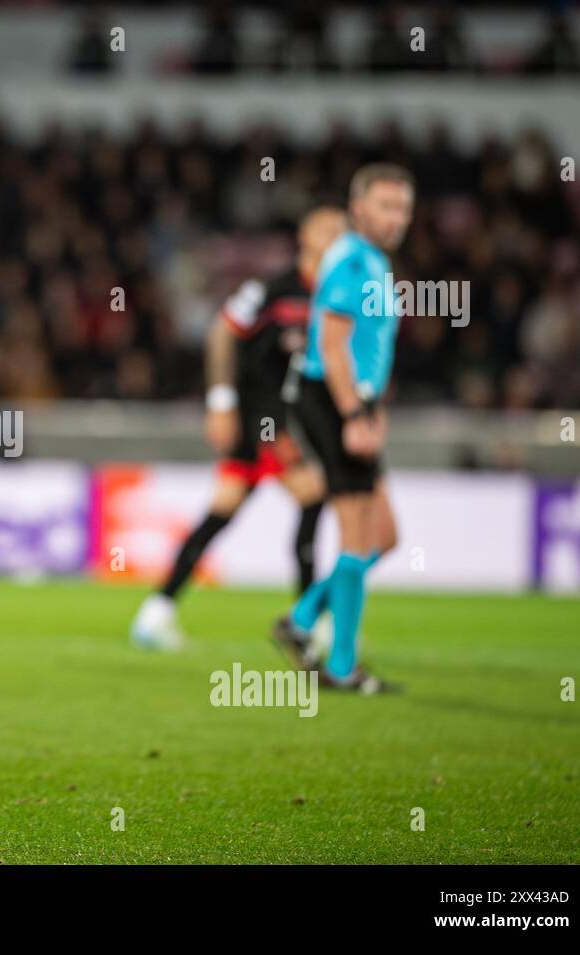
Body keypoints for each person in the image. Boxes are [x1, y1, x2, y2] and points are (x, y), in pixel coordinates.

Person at [131, 207, 346, 651]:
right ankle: (310, 619)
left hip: (278, 414)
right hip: (257, 415)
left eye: (341, 232)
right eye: (327, 229)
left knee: (222, 511)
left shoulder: (331, 294)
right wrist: (221, 403)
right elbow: (222, 333)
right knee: (311, 492)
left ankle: (157, 612)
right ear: (305, 236)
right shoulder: (271, 288)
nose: (335, 238)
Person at [272, 164, 416, 693]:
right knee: (358, 535)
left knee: (385, 535)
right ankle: (342, 667)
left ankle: (303, 618)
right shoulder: (354, 261)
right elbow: (331, 347)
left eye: (403, 207)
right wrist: (355, 414)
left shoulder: (372, 261)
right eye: (385, 205)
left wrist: (369, 404)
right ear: (358, 209)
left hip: (352, 402)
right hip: (333, 402)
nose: (396, 217)